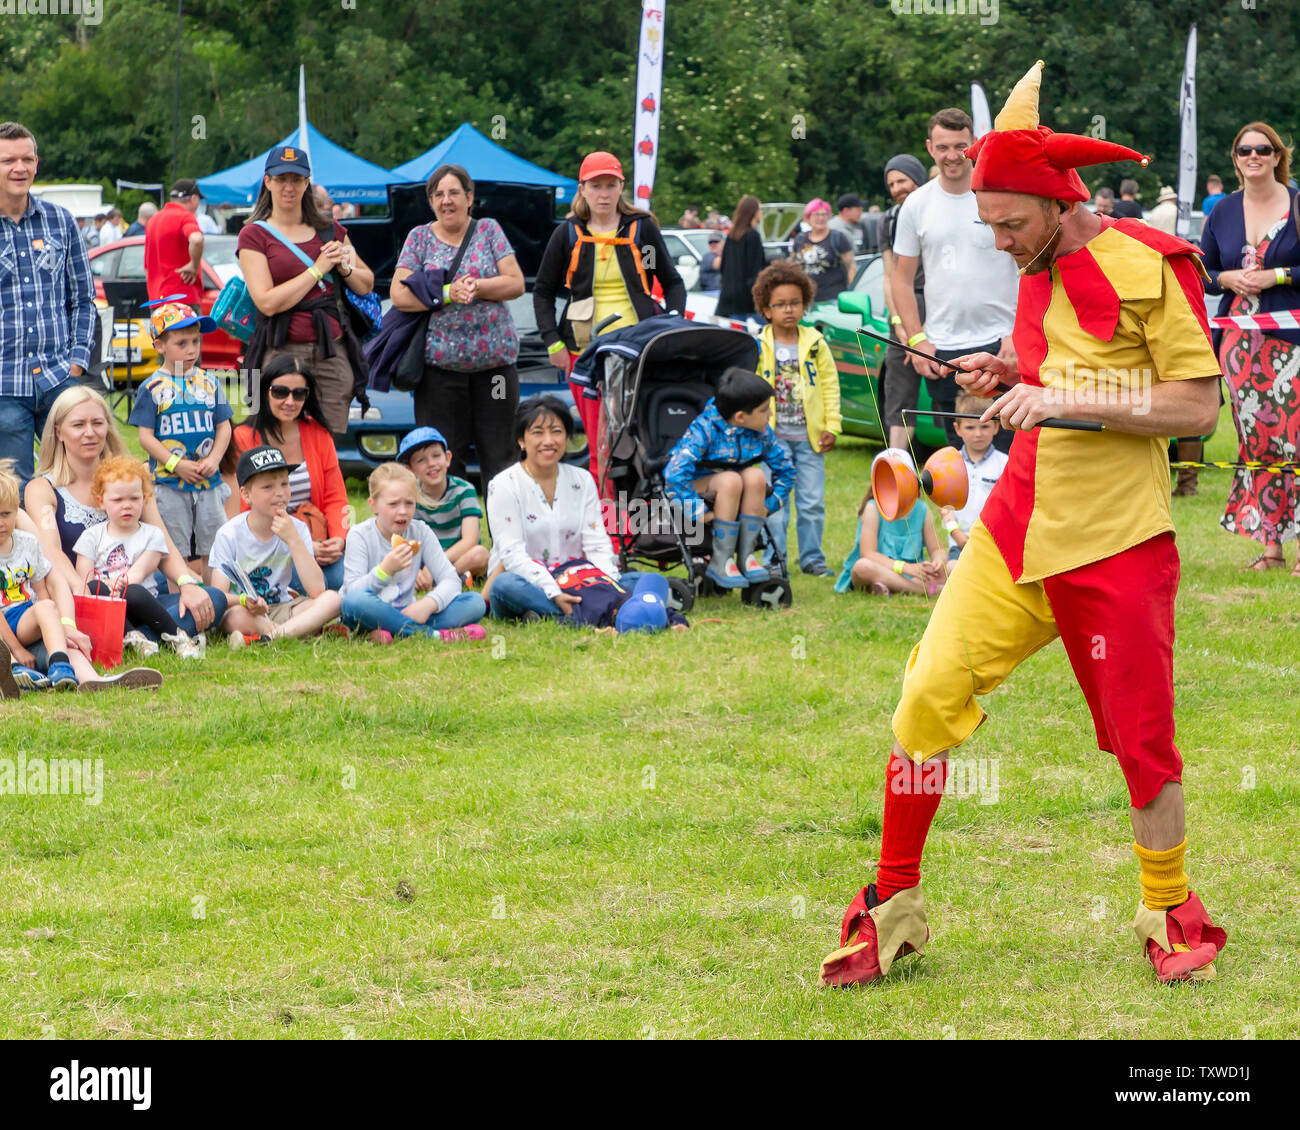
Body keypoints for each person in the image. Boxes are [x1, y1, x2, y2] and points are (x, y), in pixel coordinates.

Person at [820, 62, 1227, 990]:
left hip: (1118, 539)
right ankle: (893, 903)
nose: (999, 243)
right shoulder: (1033, 265)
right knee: (926, 696)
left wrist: (1062, 398)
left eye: (1009, 225)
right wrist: (1006, 372)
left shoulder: (1153, 264)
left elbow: (1196, 409)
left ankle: (1167, 909)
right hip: (1015, 528)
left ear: (1057, 203)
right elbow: (1048, 359)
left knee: (1143, 739)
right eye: (988, 226)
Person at [25, 385, 225, 689]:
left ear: (108, 427)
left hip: (135, 594)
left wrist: (186, 583)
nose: (90, 433)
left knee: (212, 598)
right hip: (80, 599)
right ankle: (143, 637)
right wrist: (81, 587)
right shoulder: (42, 488)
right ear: (58, 432)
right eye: (78, 425)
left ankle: (129, 639)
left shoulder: (130, 478)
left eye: (97, 423)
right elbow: (50, 551)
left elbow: (160, 539)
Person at [534, 151, 685, 473]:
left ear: (621, 188)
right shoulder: (568, 233)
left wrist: (672, 323)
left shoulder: (641, 229)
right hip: (583, 351)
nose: (604, 194)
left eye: (610, 185)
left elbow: (672, 282)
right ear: (582, 189)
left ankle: (640, 502)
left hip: (639, 349)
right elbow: (543, 292)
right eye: (596, 186)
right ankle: (603, 505)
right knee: (597, 441)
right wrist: (552, 342)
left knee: (643, 437)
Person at [1200, 120, 1300, 572]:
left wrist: (1276, 276)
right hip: (1239, 344)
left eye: (1263, 149)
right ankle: (1272, 547)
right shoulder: (1222, 210)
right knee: (1257, 441)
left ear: (1278, 156)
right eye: (1244, 150)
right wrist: (1227, 277)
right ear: (1236, 159)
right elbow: (1202, 269)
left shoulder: (1296, 204)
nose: (1253, 156)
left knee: (1295, 439)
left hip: (1291, 340)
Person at [890, 107, 1019, 448]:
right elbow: (901, 280)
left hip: (1002, 345)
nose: (952, 156)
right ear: (929, 148)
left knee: (1007, 455)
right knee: (959, 463)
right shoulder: (915, 205)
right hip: (944, 350)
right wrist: (917, 341)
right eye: (943, 147)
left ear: (974, 143)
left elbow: (1029, 268)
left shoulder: (1000, 195)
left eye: (960, 146)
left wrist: (1018, 333)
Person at [391, 163, 525, 487]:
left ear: (469, 197)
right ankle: (452, 523)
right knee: (443, 461)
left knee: (502, 457)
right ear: (431, 201)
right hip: (439, 373)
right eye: (439, 194)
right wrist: (449, 293)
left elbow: (515, 282)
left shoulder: (489, 230)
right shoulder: (419, 238)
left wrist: (476, 286)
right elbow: (399, 295)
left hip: (494, 371)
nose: (446, 200)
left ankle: (504, 522)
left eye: (454, 193)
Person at [237, 145, 375, 436]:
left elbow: (366, 283)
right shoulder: (254, 234)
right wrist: (318, 269)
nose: (289, 187)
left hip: (332, 351)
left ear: (306, 183)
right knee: (279, 440)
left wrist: (344, 268)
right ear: (268, 182)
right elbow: (267, 302)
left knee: (328, 441)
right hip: (280, 351)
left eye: (296, 179)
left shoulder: (329, 229)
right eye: (281, 179)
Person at [0, 121, 97, 487]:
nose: (19, 168)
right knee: (15, 489)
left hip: (59, 376)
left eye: (27, 159)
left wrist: (77, 361)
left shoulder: (61, 221)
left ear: (37, 163)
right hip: (5, 384)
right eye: (8, 160)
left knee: (81, 479)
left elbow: (83, 299)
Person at [485, 396, 629, 621]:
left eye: (556, 431)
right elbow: (512, 554)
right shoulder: (503, 485)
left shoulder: (582, 480)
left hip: (579, 581)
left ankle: (555, 614)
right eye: (538, 432)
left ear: (568, 437)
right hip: (529, 582)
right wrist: (553, 591)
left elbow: (597, 543)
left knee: (641, 579)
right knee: (505, 586)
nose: (548, 441)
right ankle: (591, 612)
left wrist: (610, 586)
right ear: (521, 440)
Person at [127, 301, 233, 579]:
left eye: (196, 341)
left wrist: (214, 459)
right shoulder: (151, 387)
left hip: (208, 481)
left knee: (214, 546)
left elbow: (224, 426)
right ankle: (180, 596)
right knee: (175, 548)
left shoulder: (210, 382)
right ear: (160, 346)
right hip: (170, 483)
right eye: (181, 343)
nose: (191, 350)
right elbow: (146, 437)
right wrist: (175, 464)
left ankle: (216, 596)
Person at [663, 367, 795, 589]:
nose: (770, 415)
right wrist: (698, 511)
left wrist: (770, 505)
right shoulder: (705, 429)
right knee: (730, 480)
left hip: (734, 484)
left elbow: (786, 470)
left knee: (756, 475)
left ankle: (746, 555)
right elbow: (674, 475)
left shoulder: (761, 433)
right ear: (740, 417)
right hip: (699, 486)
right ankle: (721, 559)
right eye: (764, 410)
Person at [230, 356, 349, 590]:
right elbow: (245, 507)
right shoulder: (243, 437)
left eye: (299, 394)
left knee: (341, 579)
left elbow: (336, 497)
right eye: (280, 392)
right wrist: (300, 544)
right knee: (317, 585)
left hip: (318, 540)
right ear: (265, 392)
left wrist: (339, 539)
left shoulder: (319, 433)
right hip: (269, 545)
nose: (290, 401)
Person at [753, 260, 840, 577]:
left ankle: (812, 558)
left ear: (805, 304)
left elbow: (830, 385)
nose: (788, 309)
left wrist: (832, 425)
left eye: (795, 303)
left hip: (809, 438)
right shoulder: (758, 345)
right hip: (772, 440)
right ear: (766, 309)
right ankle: (774, 560)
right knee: (774, 503)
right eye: (780, 304)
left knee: (812, 502)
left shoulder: (816, 343)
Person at [208, 445, 343, 646]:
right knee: (235, 617)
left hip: (282, 607)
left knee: (332, 599)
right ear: (246, 495)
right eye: (268, 487)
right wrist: (245, 601)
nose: (280, 493)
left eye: (284, 484)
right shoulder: (229, 533)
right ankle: (292, 632)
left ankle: (269, 637)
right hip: (244, 610)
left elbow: (317, 589)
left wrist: (293, 540)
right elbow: (218, 595)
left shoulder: (297, 528)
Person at [340, 462, 487, 643]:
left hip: (409, 611)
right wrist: (384, 570)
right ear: (374, 505)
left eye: (409, 503)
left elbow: (450, 579)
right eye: (393, 504)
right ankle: (433, 635)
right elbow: (353, 590)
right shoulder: (359, 535)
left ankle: (389, 630)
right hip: (371, 610)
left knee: (475, 603)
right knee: (354, 602)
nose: (402, 511)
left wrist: (428, 604)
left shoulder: (420, 531)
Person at [72, 455, 204, 659]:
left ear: (144, 498)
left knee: (133, 590)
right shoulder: (91, 537)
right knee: (94, 587)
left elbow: (138, 573)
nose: (127, 505)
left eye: (134, 499)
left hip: (142, 605)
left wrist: (119, 584)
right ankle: (134, 638)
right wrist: (106, 586)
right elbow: (84, 580)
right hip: (106, 606)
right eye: (118, 500)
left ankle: (178, 638)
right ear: (101, 501)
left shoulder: (152, 535)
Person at [0, 460, 81, 690]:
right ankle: (14, 669)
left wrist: (52, 621)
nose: (1, 523)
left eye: (6, 514)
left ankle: (60, 666)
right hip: (2, 623)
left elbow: (41, 589)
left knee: (46, 606)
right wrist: (17, 649)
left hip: (23, 617)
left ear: (17, 509)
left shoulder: (28, 543)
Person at [835, 449, 945, 596]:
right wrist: (904, 567)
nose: (895, 485)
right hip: (880, 569)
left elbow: (937, 549)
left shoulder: (921, 510)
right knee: (862, 567)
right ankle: (920, 589)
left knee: (952, 566)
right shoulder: (872, 509)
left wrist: (938, 561)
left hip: (914, 575)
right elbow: (868, 553)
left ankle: (889, 587)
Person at [878, 154, 928, 451]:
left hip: (938, 306)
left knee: (952, 389)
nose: (897, 188)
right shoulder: (888, 220)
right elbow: (889, 274)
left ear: (917, 179)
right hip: (901, 308)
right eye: (892, 184)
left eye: (902, 181)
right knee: (899, 395)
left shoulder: (937, 210)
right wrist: (898, 322)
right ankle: (896, 464)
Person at [398, 427, 489, 581]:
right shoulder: (409, 496)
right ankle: (437, 579)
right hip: (423, 561)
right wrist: (414, 569)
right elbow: (403, 539)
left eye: (436, 455)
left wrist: (436, 566)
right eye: (421, 460)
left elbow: (470, 540)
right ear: (410, 470)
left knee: (480, 554)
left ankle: (443, 578)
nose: (431, 463)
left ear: (447, 458)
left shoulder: (464, 490)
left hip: (455, 558)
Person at [939, 393, 1007, 572]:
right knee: (953, 569)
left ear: (996, 426)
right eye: (970, 427)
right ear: (957, 429)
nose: (978, 434)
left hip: (994, 544)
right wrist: (957, 535)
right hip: (959, 543)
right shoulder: (949, 464)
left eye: (985, 426)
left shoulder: (1005, 463)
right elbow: (944, 508)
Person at [145, 179, 206, 306]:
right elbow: (196, 239)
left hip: (156, 299)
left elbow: (147, 266)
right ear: (193, 198)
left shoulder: (153, 220)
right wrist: (194, 265)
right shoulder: (185, 217)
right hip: (182, 297)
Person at [791, 198, 856, 303]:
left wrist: (851, 294)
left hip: (832, 298)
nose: (820, 218)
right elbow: (792, 266)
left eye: (824, 214)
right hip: (806, 298)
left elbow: (851, 267)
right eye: (816, 214)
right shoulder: (800, 239)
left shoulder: (837, 237)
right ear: (808, 217)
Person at [714, 195, 766, 321]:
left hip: (728, 296)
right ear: (753, 212)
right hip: (747, 300)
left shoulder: (731, 236)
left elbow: (723, 267)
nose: (761, 212)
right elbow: (756, 269)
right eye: (759, 209)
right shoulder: (752, 236)